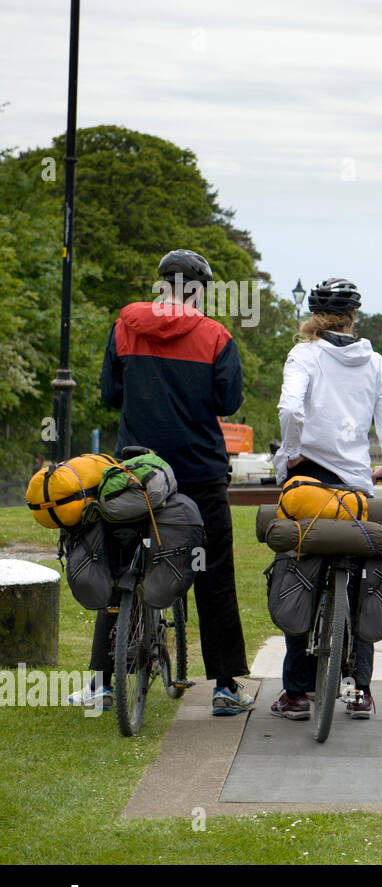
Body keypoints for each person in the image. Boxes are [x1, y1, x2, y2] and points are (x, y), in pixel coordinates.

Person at [74, 249, 253, 715]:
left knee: (116, 565)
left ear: (161, 285)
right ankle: (226, 686)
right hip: (199, 473)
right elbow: (228, 401)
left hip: (137, 472)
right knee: (212, 572)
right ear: (200, 291)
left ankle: (102, 680)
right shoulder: (216, 336)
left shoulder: (124, 328)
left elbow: (110, 393)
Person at [269, 278, 382, 722]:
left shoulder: (304, 354)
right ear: (353, 318)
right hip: (355, 487)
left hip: (309, 481)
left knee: (301, 564)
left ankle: (295, 693)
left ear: (314, 315)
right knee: (363, 576)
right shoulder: (376, 364)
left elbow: (291, 411)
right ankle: (360, 691)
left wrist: (290, 456)